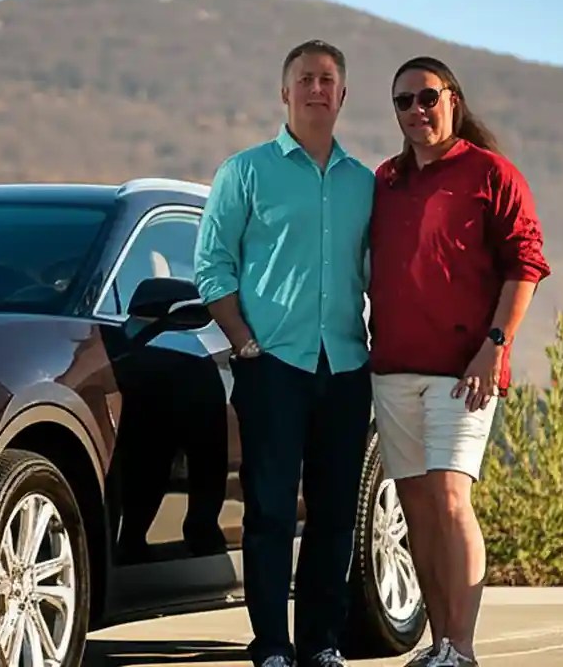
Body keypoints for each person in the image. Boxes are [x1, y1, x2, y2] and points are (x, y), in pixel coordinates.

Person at [194, 39, 375, 667]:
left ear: (343, 94)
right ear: (285, 93)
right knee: (270, 512)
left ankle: (322, 643)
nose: (317, 89)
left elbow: (381, 273)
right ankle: (271, 645)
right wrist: (244, 343)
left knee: (334, 514)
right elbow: (212, 269)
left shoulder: (365, 185)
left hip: (348, 368)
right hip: (271, 367)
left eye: (328, 79)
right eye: (306, 79)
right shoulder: (244, 172)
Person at [367, 56, 551, 667]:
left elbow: (526, 265)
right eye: (403, 102)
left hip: (465, 372)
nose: (417, 111)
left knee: (451, 497)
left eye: (427, 97)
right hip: (392, 369)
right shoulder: (386, 181)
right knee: (416, 506)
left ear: (453, 99)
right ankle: (439, 641)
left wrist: (494, 345)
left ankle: (463, 648)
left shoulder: (491, 174)